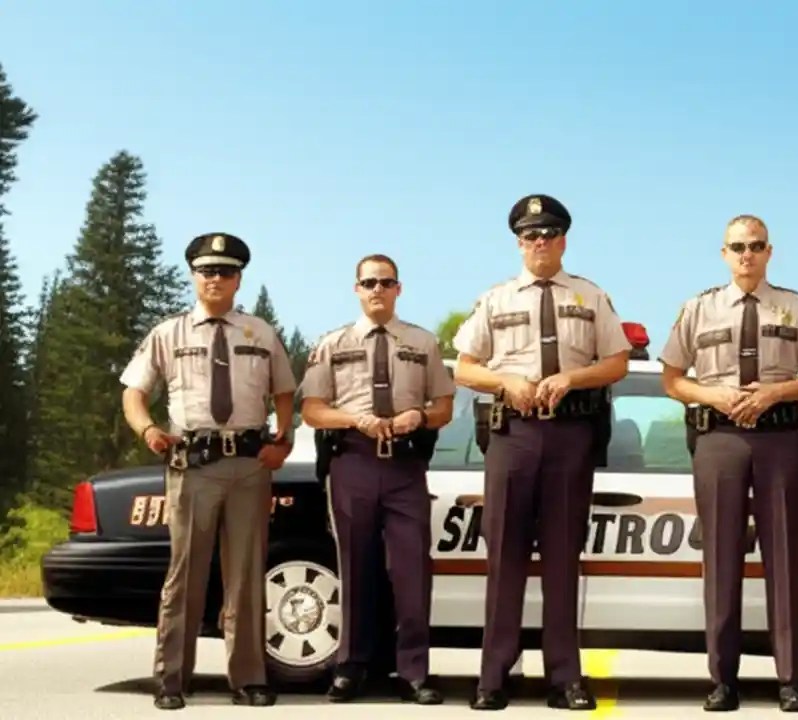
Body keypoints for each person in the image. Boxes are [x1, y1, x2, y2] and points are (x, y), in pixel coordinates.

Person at [453, 193, 631, 711]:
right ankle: (492, 675)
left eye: (549, 235)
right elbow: (464, 367)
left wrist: (574, 376)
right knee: (504, 557)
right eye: (531, 236)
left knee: (561, 558)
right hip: (513, 436)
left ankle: (565, 677)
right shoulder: (496, 299)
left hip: (570, 435)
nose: (540, 244)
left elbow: (617, 361)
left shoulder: (590, 296)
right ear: (518, 243)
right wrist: (505, 379)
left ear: (563, 241)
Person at [658, 214, 798, 713]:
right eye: (737, 247)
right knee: (721, 561)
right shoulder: (699, 308)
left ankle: (789, 679)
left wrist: (778, 390)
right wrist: (712, 395)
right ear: (723, 253)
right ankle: (723, 680)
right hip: (720, 440)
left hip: (780, 438)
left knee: (785, 560)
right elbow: (672, 379)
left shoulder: (796, 307)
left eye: (755, 246)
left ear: (769, 252)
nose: (746, 255)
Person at [120, 232, 297, 710]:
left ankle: (249, 678)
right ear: (194, 276)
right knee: (186, 574)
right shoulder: (169, 332)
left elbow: (284, 389)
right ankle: (173, 679)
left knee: (246, 576)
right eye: (206, 271)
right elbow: (134, 392)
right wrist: (148, 429)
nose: (215, 279)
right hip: (193, 465)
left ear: (239, 278)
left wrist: (284, 437)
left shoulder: (260, 332)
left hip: (248, 464)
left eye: (224, 271)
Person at [298, 253, 456, 704]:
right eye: (369, 283)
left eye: (386, 283)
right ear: (356, 289)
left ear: (399, 289)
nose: (377, 290)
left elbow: (443, 407)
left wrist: (417, 415)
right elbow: (312, 409)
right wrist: (353, 420)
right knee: (355, 565)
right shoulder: (333, 343)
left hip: (405, 465)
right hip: (354, 460)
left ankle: (414, 672)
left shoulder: (423, 343)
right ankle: (351, 667)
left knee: (411, 570)